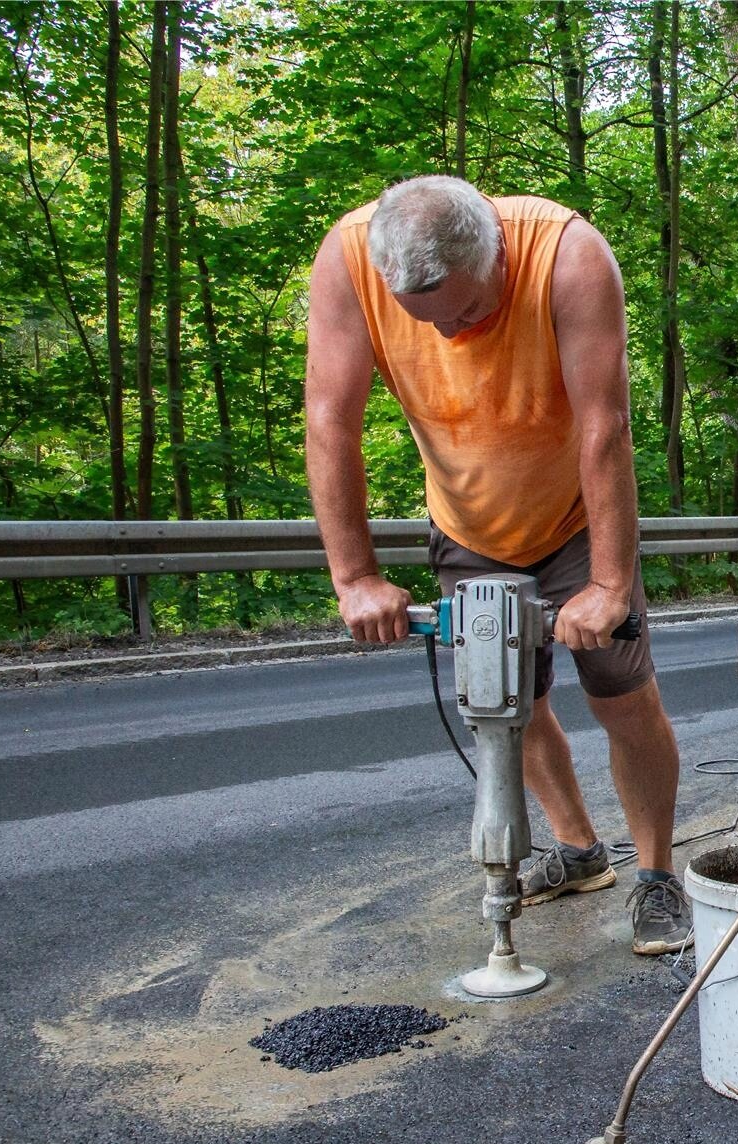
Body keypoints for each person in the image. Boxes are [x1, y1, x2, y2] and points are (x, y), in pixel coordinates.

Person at [304, 174, 690, 956]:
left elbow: (604, 427)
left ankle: (655, 877)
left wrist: (610, 584)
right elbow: (330, 418)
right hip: (469, 520)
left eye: (470, 311)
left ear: (498, 256)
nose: (452, 336)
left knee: (621, 696)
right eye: (429, 323)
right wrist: (355, 577)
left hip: (578, 515)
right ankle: (579, 852)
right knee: (509, 704)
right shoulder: (348, 261)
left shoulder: (568, 256)